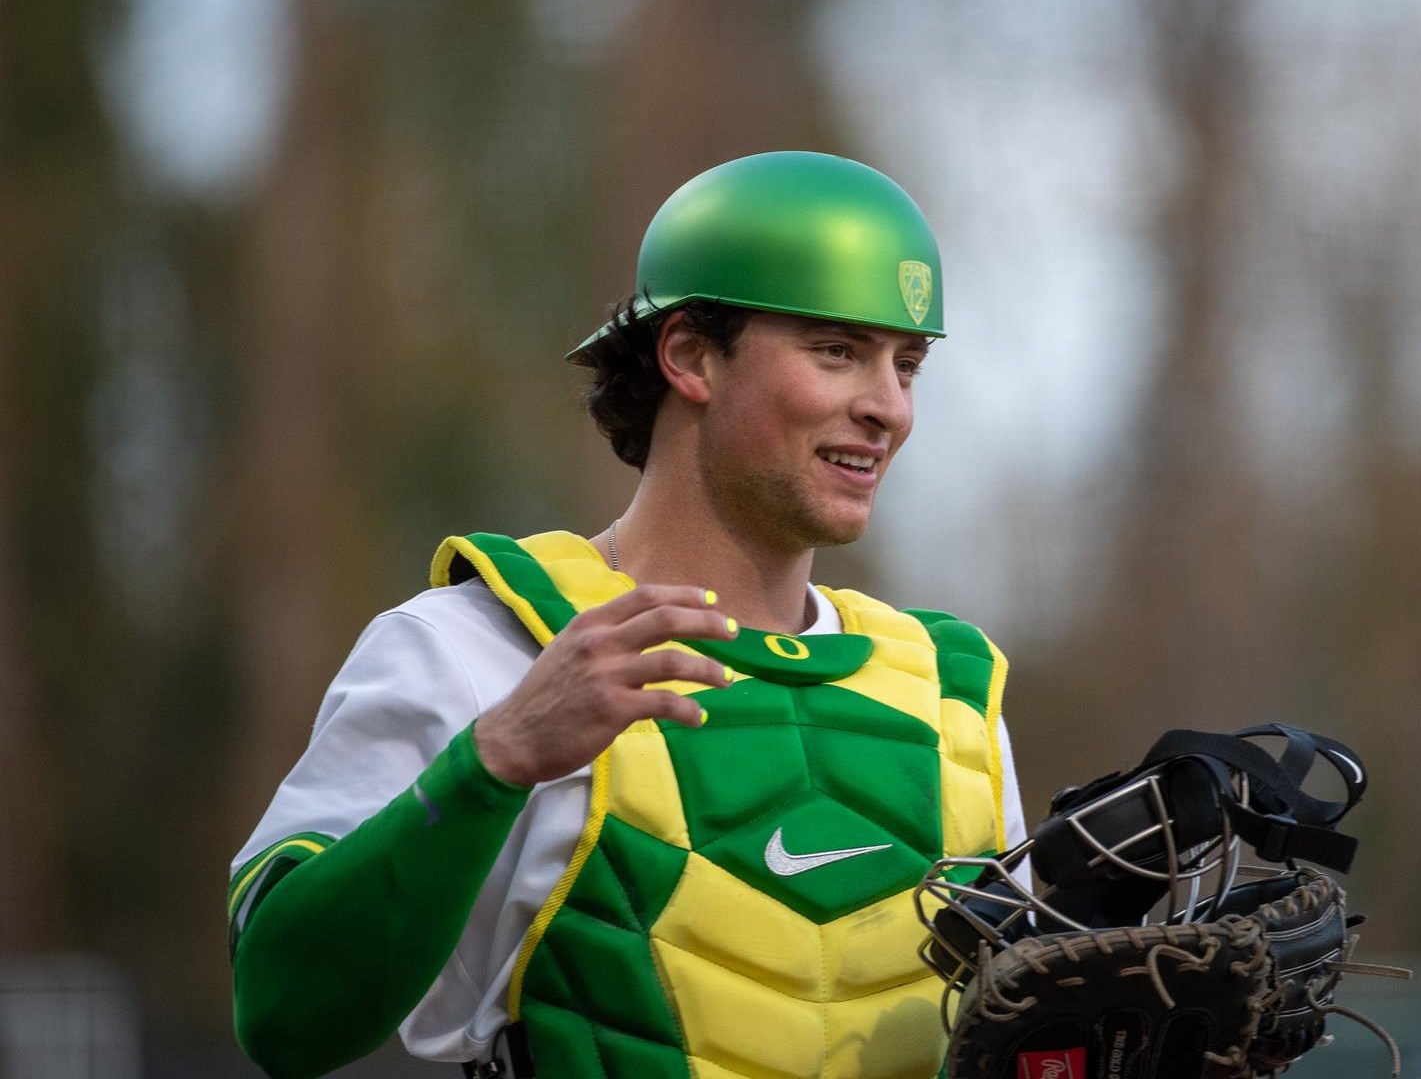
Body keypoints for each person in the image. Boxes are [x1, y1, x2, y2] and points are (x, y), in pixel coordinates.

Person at [227, 151, 1025, 1079]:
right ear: (689, 355)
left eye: (908, 364)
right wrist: (494, 761)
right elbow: (284, 1019)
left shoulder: (949, 699)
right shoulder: (475, 647)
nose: (888, 408)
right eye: (836, 351)